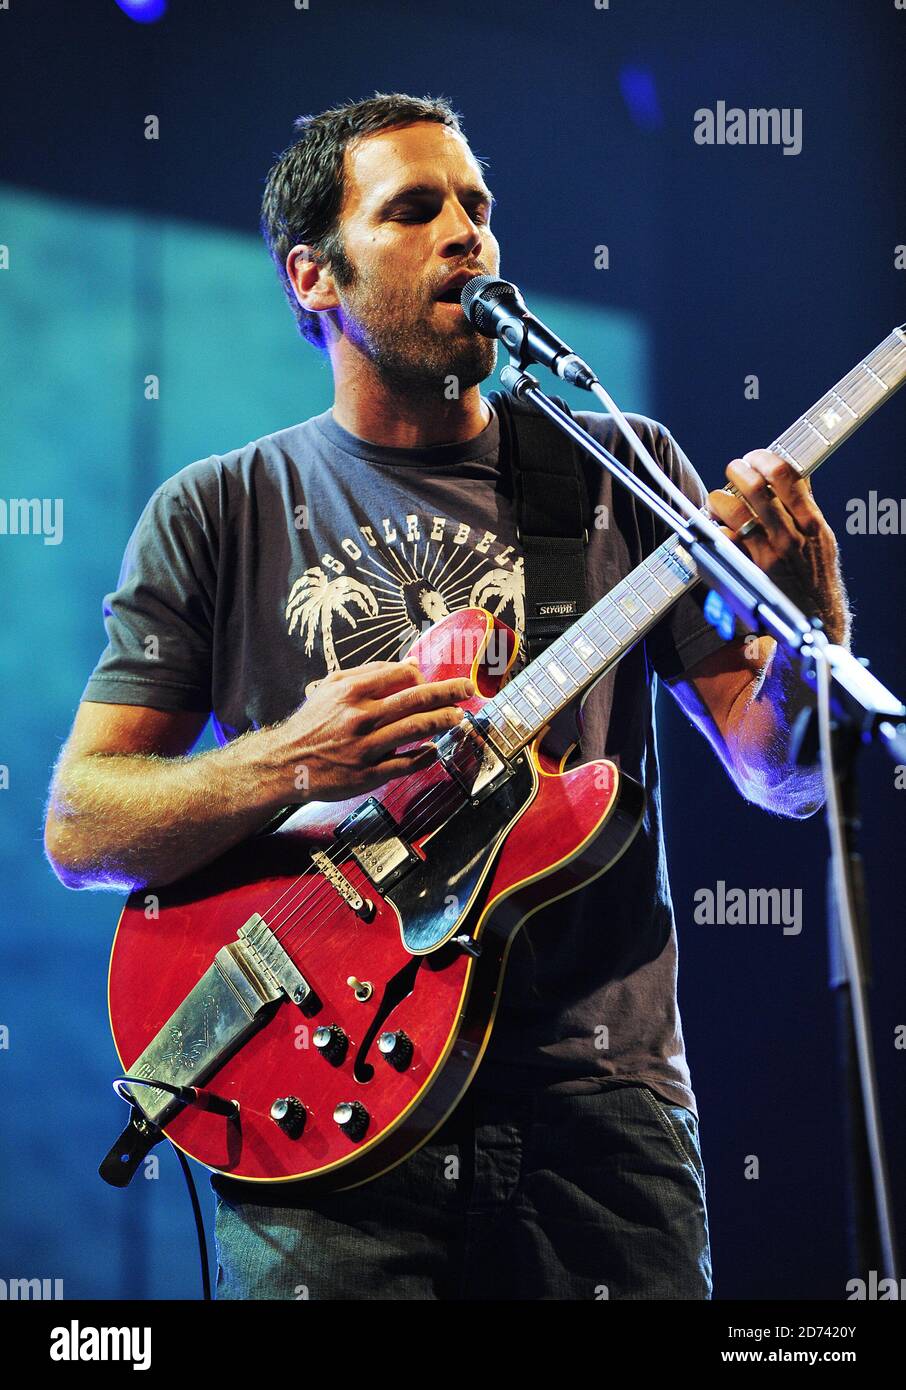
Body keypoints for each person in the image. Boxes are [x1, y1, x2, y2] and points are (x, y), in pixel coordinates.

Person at [44, 93, 850, 1301]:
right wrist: (293, 759)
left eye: (476, 206)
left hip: (602, 1112)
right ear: (313, 275)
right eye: (416, 209)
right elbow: (81, 826)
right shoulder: (221, 509)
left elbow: (782, 777)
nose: (466, 234)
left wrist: (809, 632)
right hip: (328, 1117)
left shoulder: (620, 472)